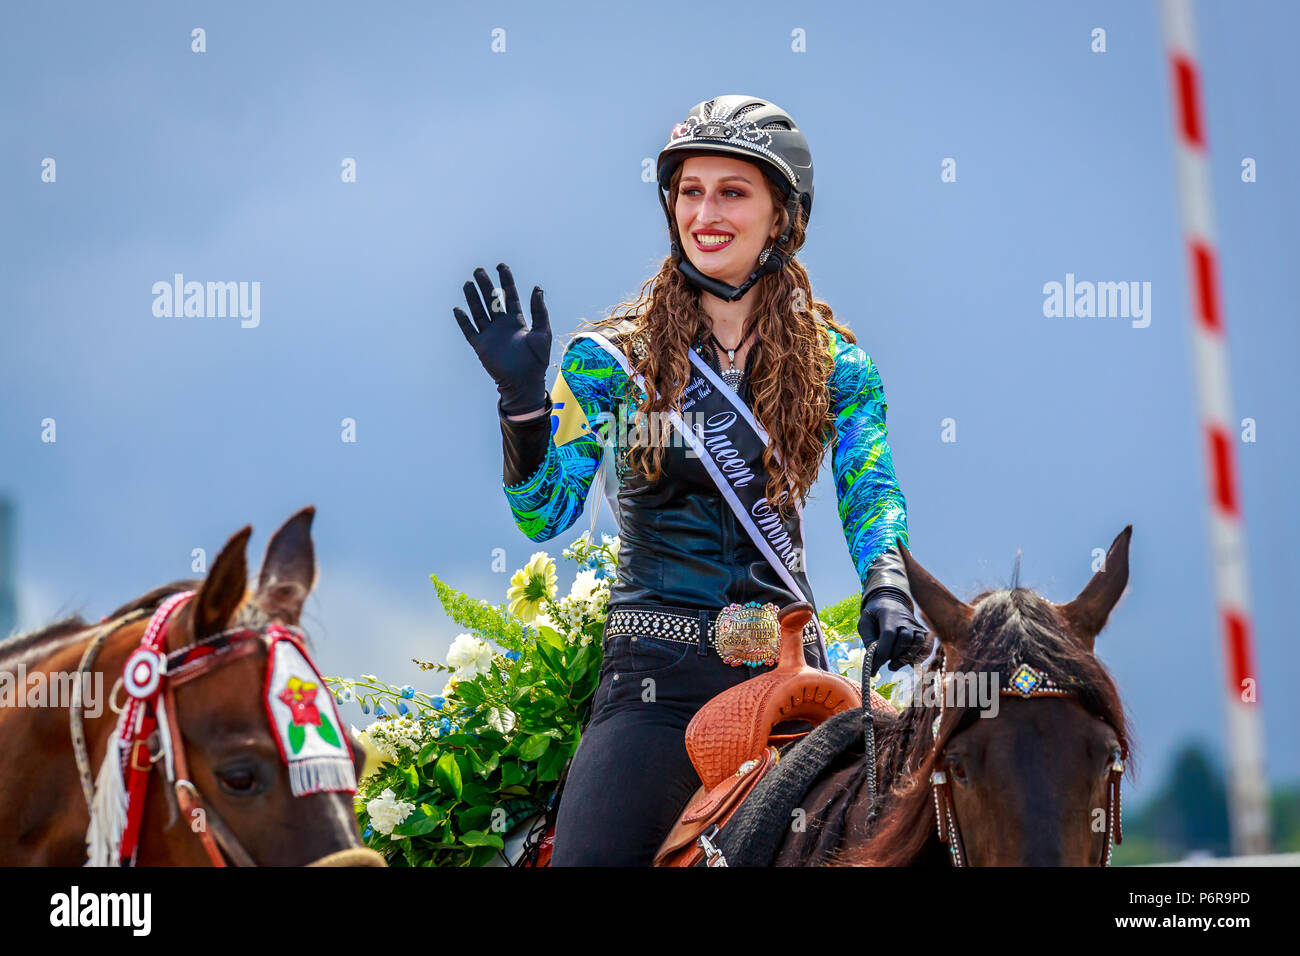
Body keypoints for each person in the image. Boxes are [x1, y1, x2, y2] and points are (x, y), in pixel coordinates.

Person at [453, 94, 928, 866]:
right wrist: (522, 408)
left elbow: (871, 491)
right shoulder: (608, 360)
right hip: (655, 688)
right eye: (690, 191)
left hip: (795, 670)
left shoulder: (839, 366)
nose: (705, 214)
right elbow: (544, 515)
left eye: (732, 192)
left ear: (783, 217)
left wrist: (888, 586)